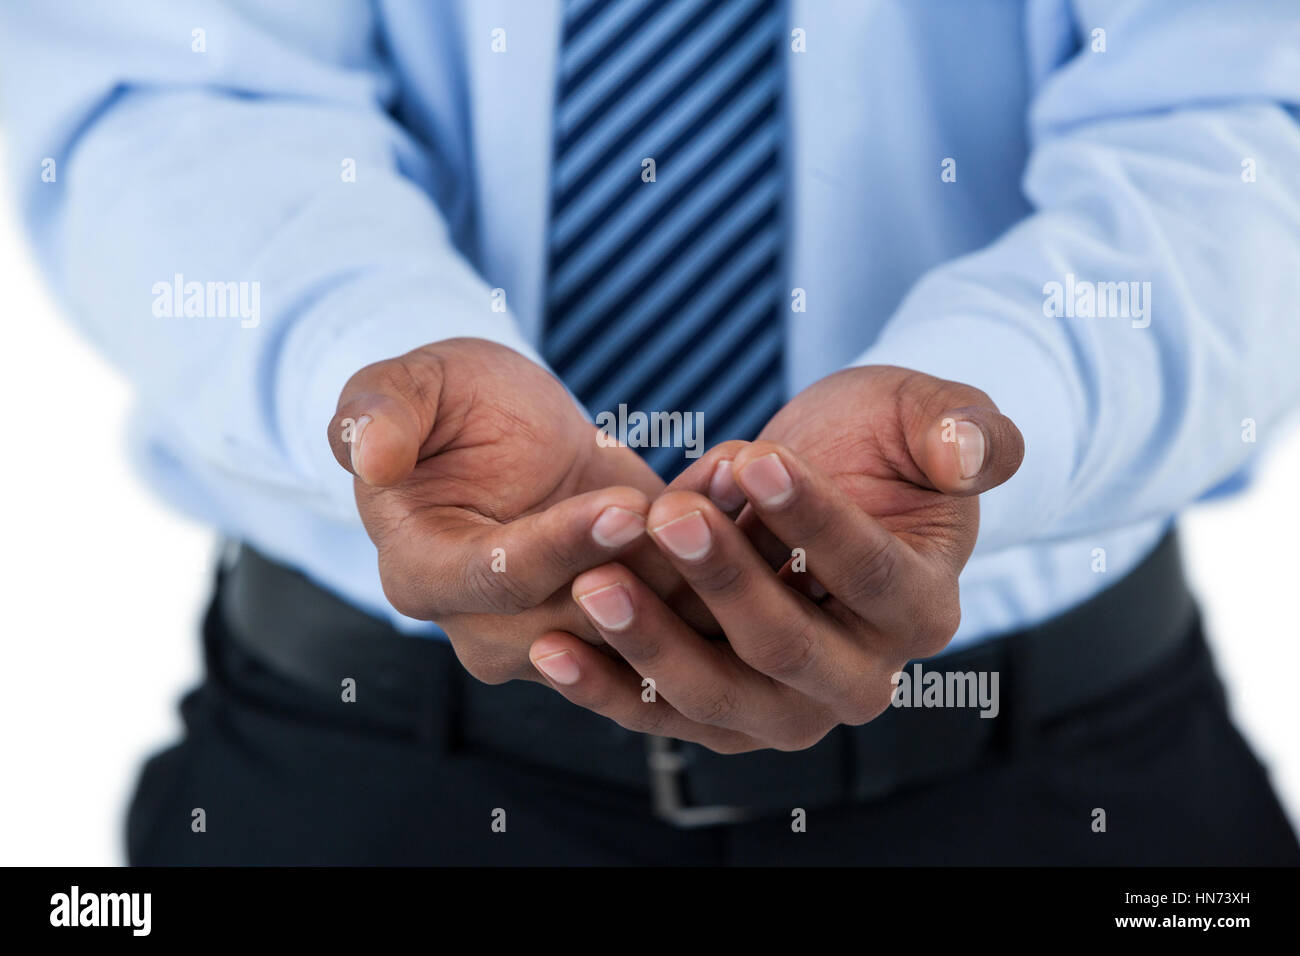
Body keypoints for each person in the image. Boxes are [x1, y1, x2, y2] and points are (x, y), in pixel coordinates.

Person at [2, 0, 1298, 865]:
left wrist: (994, 402)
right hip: (360, 775)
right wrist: (375, 378)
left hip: (1068, 792)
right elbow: (170, 75)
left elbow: (1247, 106)